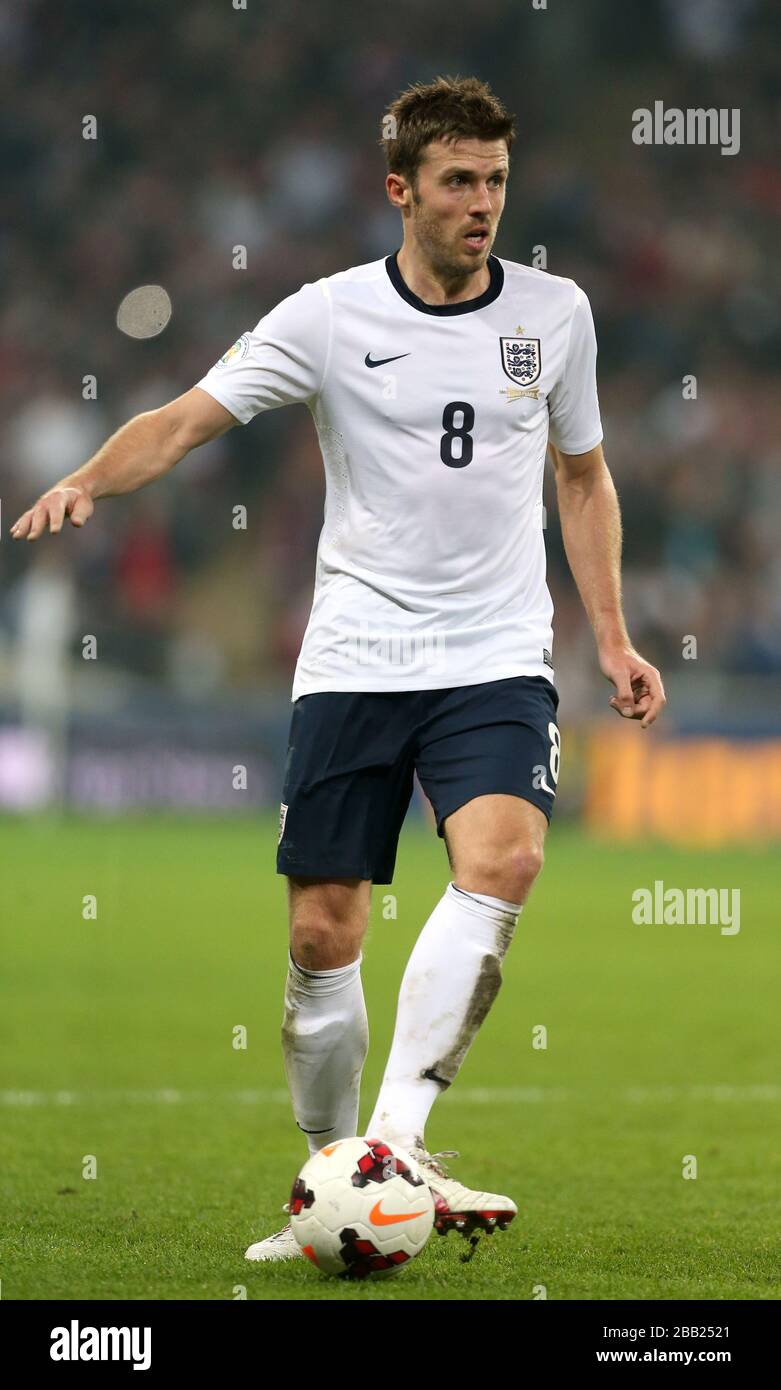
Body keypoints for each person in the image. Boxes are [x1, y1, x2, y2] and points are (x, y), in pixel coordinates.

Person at [12, 75, 666, 1264]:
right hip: (357, 653)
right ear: (399, 190)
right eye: (459, 182)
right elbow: (185, 417)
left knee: (506, 855)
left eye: (496, 182)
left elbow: (582, 476)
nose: (482, 205)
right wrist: (86, 482)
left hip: (494, 656)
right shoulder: (324, 317)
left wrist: (612, 634)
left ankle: (400, 1142)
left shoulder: (557, 315)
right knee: (323, 936)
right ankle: (328, 1181)